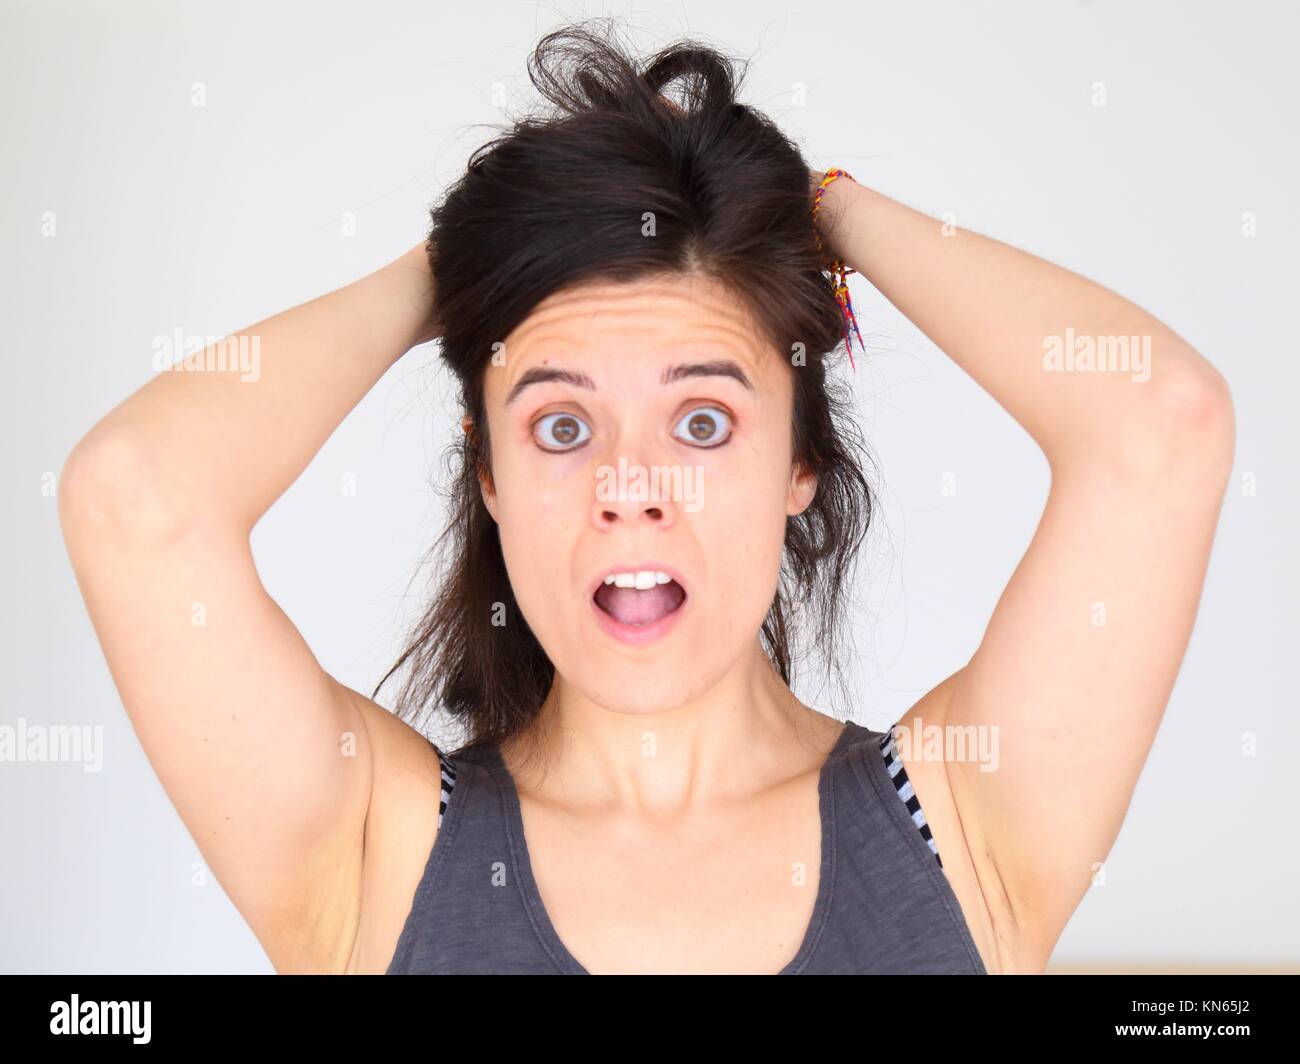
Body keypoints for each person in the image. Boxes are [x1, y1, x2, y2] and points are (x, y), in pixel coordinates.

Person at [58, 21, 1234, 975]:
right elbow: (136, 494)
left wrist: (819, 210)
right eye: (561, 425)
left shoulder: (958, 824)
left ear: (797, 464)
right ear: (489, 477)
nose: (629, 487)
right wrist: (473, 261)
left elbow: (1156, 418)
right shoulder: (379, 853)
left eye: (705, 421)